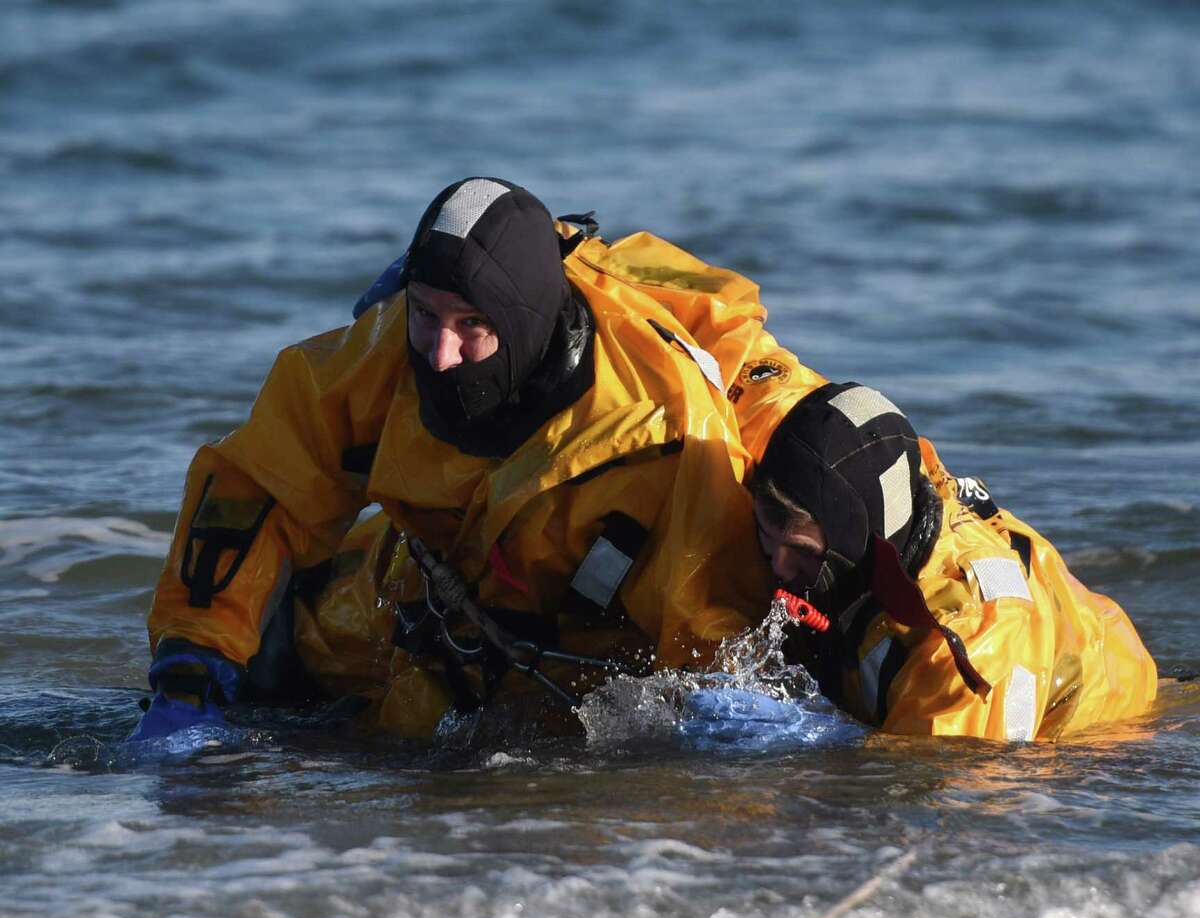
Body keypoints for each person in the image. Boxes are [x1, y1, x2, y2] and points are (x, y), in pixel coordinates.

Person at [134, 177, 824, 740]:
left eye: (472, 327)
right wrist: (188, 669)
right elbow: (260, 486)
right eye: (426, 316)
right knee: (272, 651)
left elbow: (708, 632)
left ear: (524, 323)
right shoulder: (383, 355)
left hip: (577, 684)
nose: (439, 352)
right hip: (413, 620)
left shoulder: (662, 432)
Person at [750, 381, 1158, 739]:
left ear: (861, 536)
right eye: (767, 539)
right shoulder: (889, 490)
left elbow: (949, 802)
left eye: (802, 552)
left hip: (1103, 739)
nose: (779, 567)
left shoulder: (968, 647)